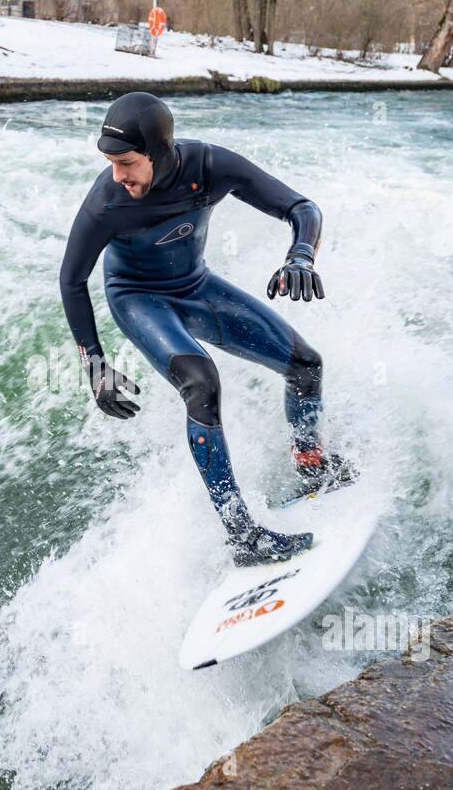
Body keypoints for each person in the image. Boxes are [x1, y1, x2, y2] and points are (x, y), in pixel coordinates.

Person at [59, 92, 353, 568]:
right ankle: (243, 536)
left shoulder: (210, 166)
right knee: (202, 384)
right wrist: (94, 364)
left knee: (305, 364)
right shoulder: (107, 203)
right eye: (111, 163)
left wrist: (300, 255)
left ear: (159, 152)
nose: (119, 176)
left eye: (128, 163)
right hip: (138, 298)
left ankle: (312, 464)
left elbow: (302, 208)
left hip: (196, 288)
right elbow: (71, 280)